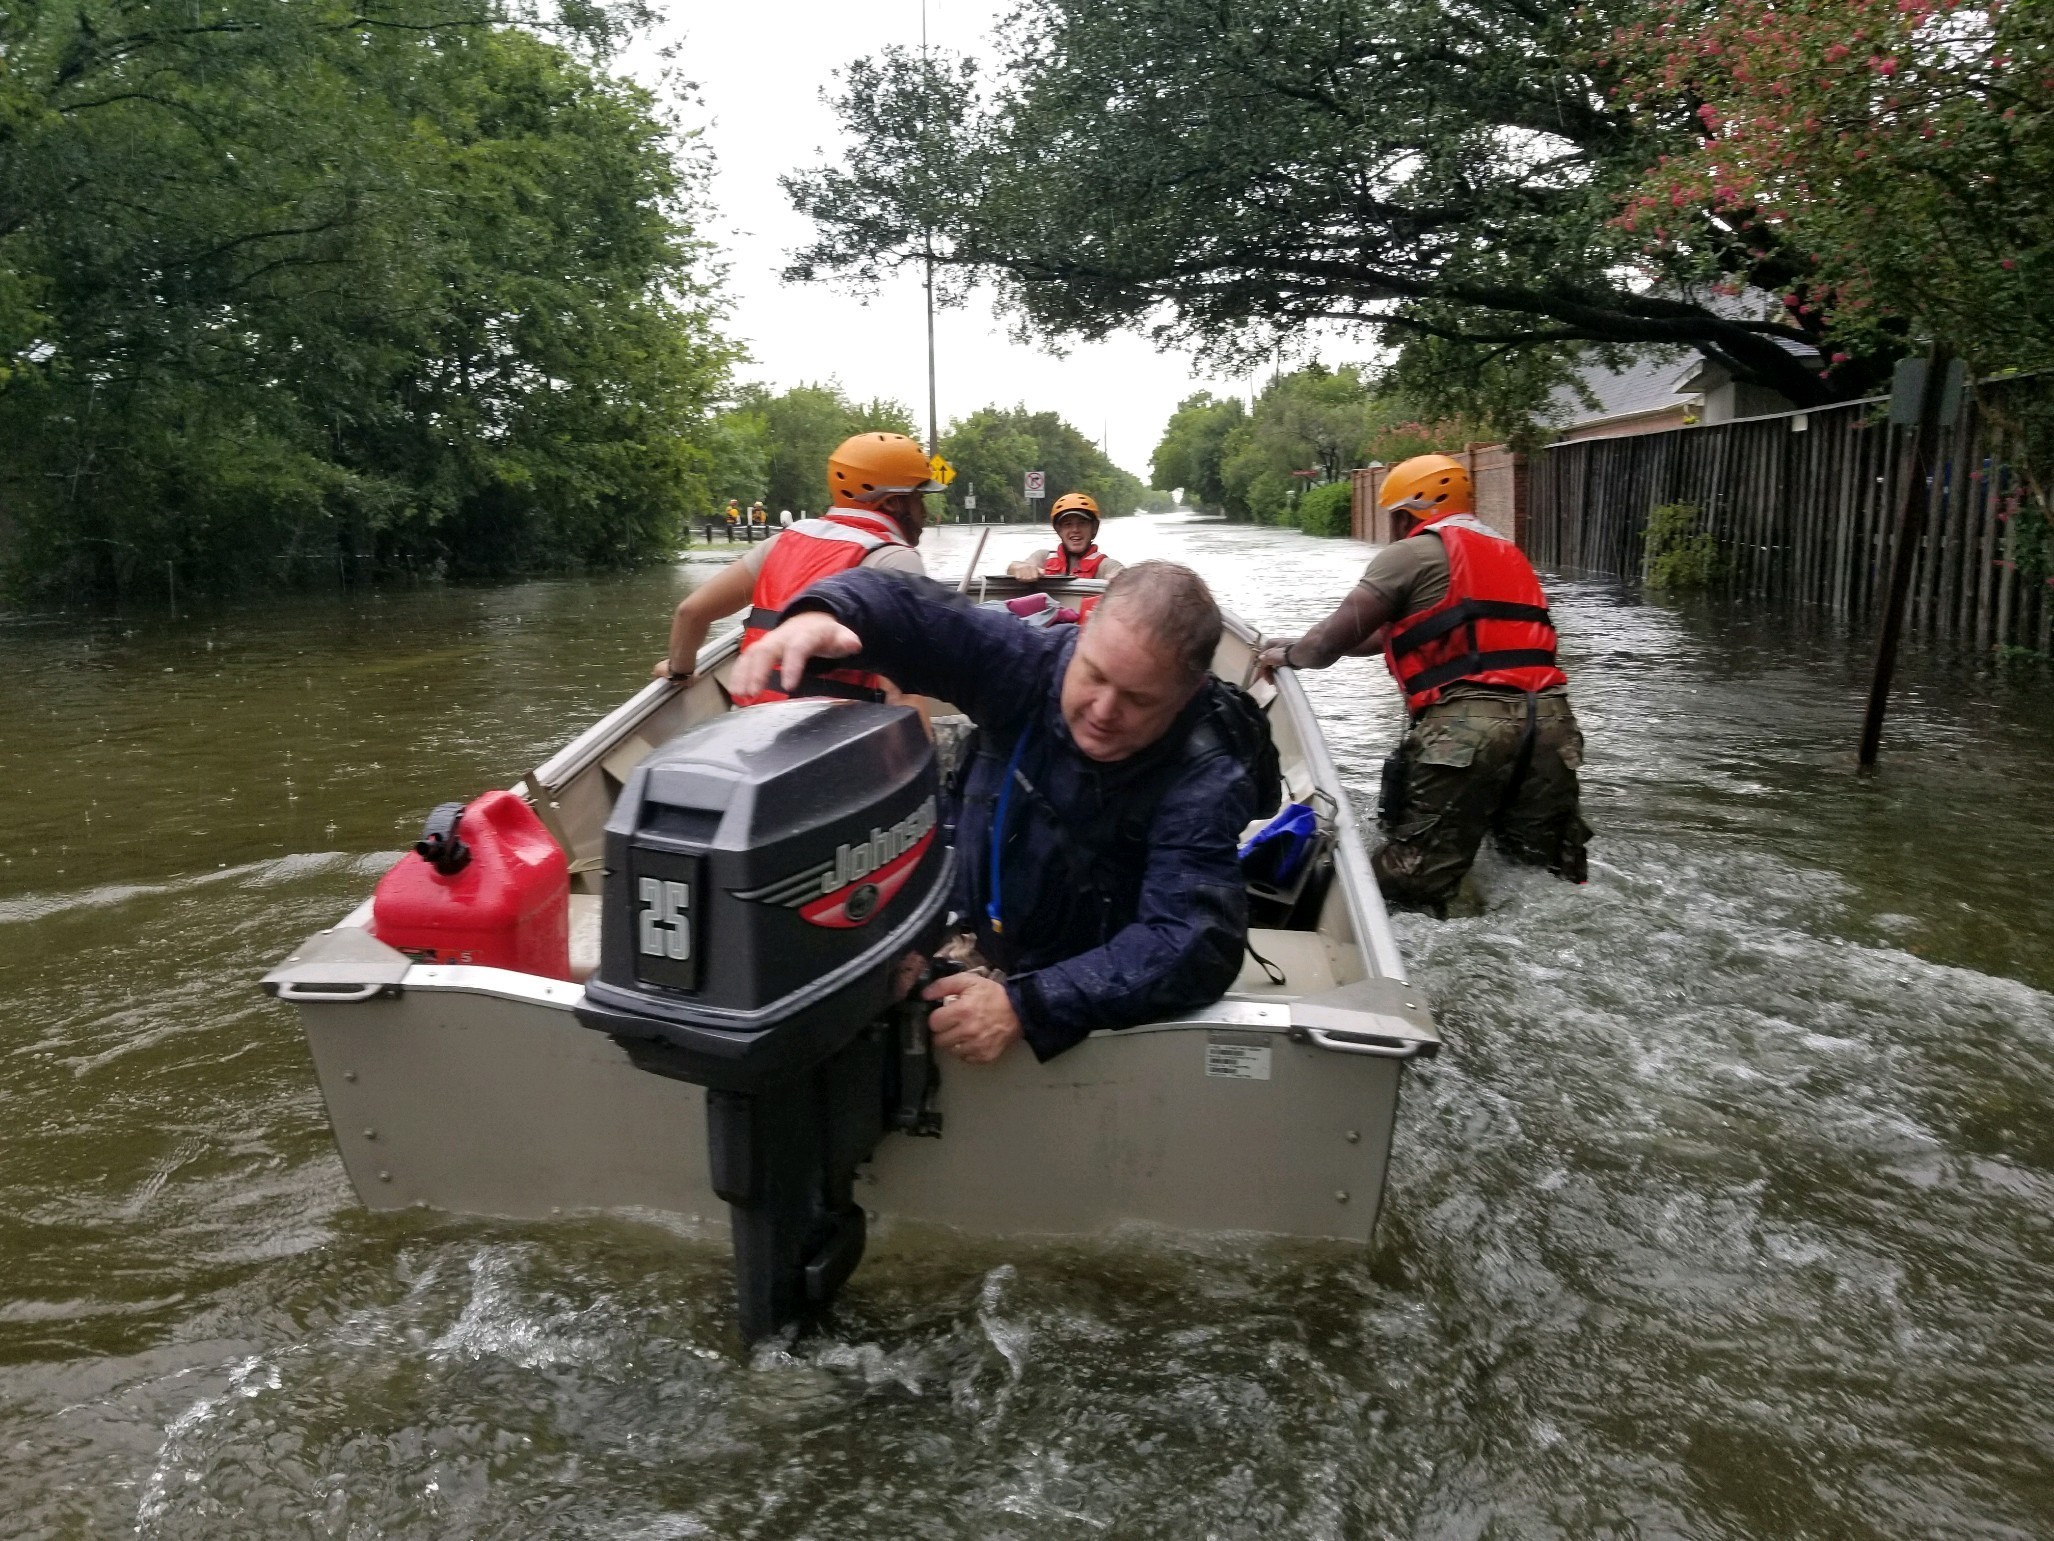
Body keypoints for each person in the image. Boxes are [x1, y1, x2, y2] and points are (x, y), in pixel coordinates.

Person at [730, 561, 1261, 1066]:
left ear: (1188, 691)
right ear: (1086, 626)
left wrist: (1028, 1005)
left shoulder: (1205, 773)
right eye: (1094, 675)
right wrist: (825, 613)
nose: (1102, 711)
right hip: (977, 925)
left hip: (1088, 982)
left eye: (1138, 700)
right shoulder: (1027, 662)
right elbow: (913, 610)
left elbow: (1193, 943)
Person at [1257, 453, 1590, 913]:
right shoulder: (1508, 555)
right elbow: (1394, 635)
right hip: (1552, 724)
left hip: (1469, 730)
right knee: (1536, 869)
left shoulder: (1408, 554)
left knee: (1408, 877)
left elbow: (1330, 641)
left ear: (1408, 512)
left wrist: (1290, 655)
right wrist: (1303, 643)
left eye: (1395, 516)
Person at [653, 434, 943, 700]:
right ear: (892, 502)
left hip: (752, 732)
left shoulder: (781, 541)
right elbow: (903, 691)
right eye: (919, 499)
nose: (925, 513)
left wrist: (680, 671)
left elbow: (691, 613)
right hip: (841, 741)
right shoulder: (896, 559)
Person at [1006, 493, 1125, 582]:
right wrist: (1020, 569)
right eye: (1068, 524)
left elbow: (1124, 576)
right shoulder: (1043, 557)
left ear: (1094, 528)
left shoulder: (1106, 565)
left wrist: (1120, 581)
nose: (1075, 530)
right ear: (1059, 530)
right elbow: (1013, 567)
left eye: (1082, 523)